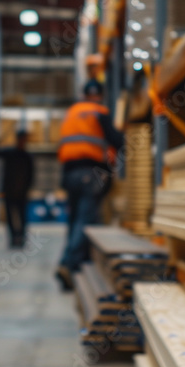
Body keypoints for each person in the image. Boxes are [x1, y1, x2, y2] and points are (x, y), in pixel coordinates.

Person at [56, 80, 125, 290]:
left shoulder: (72, 113)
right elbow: (117, 141)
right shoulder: (99, 112)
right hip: (90, 173)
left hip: (69, 174)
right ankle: (68, 264)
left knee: (74, 219)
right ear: (100, 95)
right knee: (85, 221)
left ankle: (75, 265)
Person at [0, 128, 35, 248]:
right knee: (10, 217)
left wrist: (27, 188)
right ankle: (13, 238)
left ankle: (22, 238)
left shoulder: (27, 156)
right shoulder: (9, 153)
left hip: (22, 193)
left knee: (22, 217)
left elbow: (31, 175)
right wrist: (2, 136)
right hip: (9, 191)